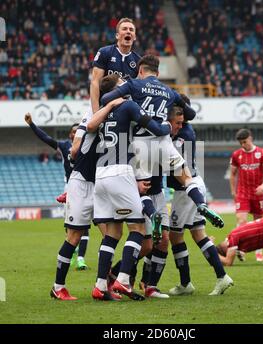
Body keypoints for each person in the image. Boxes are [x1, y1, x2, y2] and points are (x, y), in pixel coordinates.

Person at [101, 54, 224, 229]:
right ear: (157, 73)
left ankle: (153, 214)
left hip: (140, 146)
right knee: (187, 178)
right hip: (164, 143)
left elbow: (105, 99)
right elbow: (191, 114)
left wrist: (120, 101)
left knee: (142, 188)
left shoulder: (134, 84)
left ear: (141, 70)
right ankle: (201, 205)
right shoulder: (170, 91)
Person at [87, 74, 171, 301]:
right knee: (138, 230)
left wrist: (108, 103)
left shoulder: (103, 110)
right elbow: (156, 128)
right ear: (118, 88)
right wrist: (167, 125)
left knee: (112, 233)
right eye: (123, 82)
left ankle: (100, 285)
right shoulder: (129, 105)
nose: (127, 84)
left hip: (101, 173)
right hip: (120, 171)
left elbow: (90, 126)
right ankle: (123, 280)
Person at [50, 100, 123, 300]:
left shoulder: (118, 118)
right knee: (74, 237)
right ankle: (58, 287)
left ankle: (102, 285)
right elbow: (75, 149)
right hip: (82, 182)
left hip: (100, 184)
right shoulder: (92, 115)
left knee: (111, 235)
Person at [167, 103, 233, 296]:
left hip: (185, 189)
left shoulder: (182, 134)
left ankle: (186, 282)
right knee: (199, 235)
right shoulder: (186, 129)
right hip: (194, 184)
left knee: (175, 235)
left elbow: (175, 165)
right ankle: (222, 277)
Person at [24, 114, 92, 270]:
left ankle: (81, 259)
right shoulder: (64, 145)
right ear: (70, 134)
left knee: (85, 225)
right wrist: (32, 124)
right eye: (73, 131)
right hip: (71, 189)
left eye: (78, 131)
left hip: (88, 187)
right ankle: (72, 251)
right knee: (71, 226)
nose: (76, 133)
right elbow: (46, 138)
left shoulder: (88, 145)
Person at [230, 128, 263, 262]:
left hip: (258, 193)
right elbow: (232, 174)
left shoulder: (262, 153)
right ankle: (240, 248)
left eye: (245, 142)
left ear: (250, 138)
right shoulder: (236, 155)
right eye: (241, 143)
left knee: (258, 223)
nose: (243, 145)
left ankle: (258, 251)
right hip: (243, 193)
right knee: (241, 220)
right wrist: (233, 191)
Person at [90, 17, 140, 114]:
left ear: (134, 37)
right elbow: (95, 82)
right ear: (117, 35)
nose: (128, 32)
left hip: (124, 110)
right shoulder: (105, 52)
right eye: (124, 29)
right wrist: (95, 113)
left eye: (131, 30)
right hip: (101, 105)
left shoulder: (138, 61)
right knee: (82, 130)